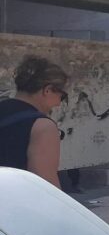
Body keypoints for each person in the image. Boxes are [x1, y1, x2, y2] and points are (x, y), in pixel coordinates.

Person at [0, 56, 68, 188]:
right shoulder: (42, 127)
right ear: (47, 90)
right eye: (62, 96)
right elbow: (45, 185)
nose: (58, 104)